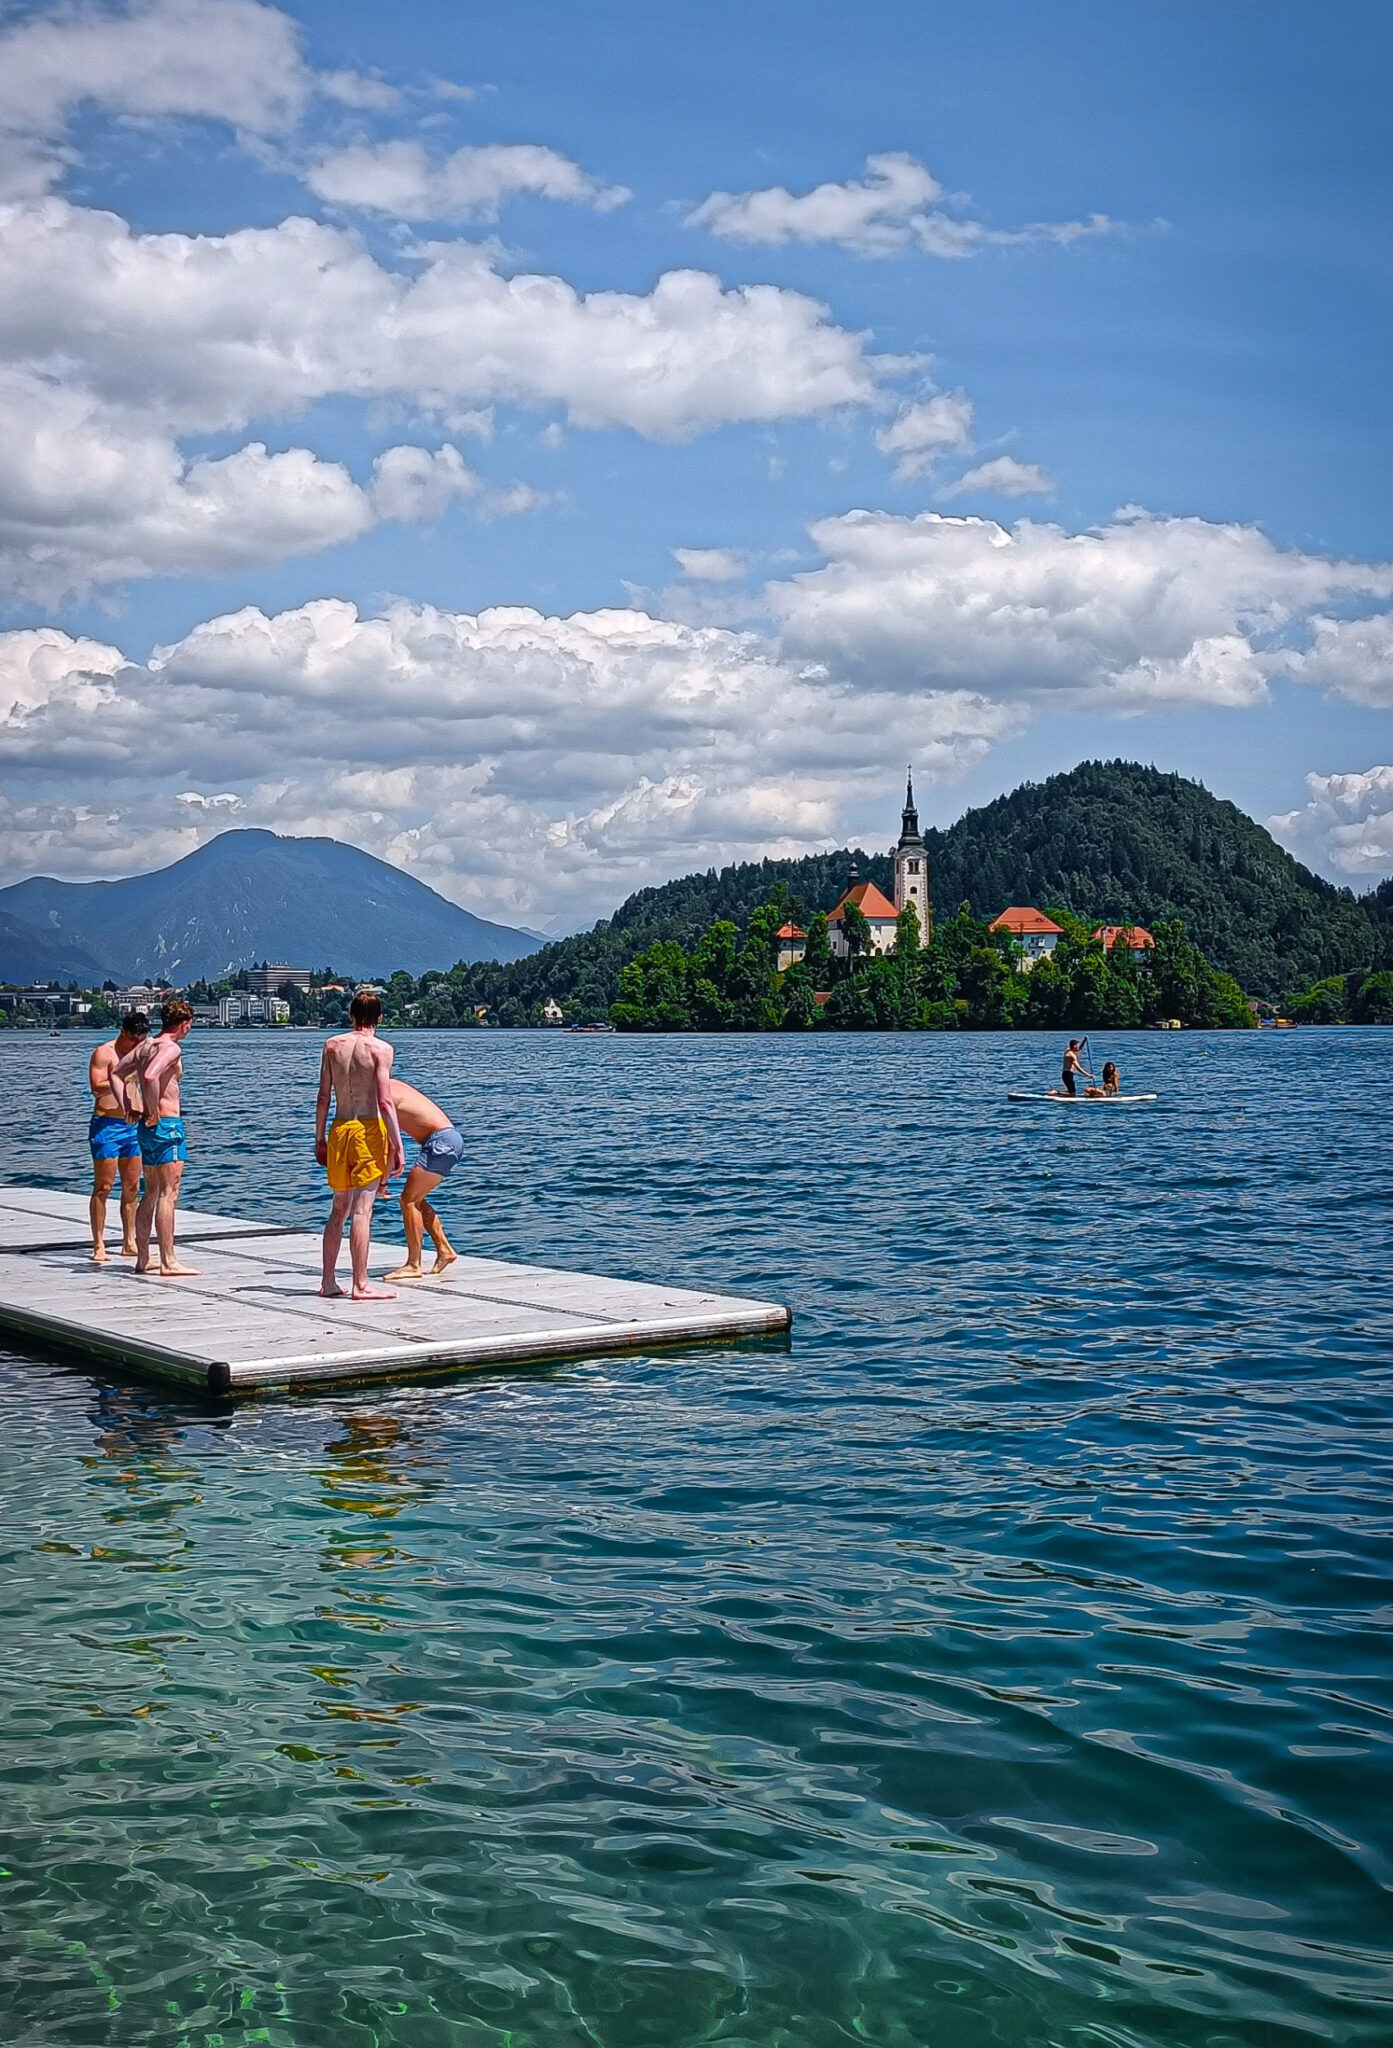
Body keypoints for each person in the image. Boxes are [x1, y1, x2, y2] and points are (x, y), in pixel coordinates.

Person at [315, 989, 405, 1301]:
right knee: (363, 1211)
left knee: (338, 1210)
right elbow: (385, 1100)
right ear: (379, 1018)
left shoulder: (332, 1046)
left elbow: (323, 1096)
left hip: (339, 1128)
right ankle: (360, 1283)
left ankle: (328, 1281)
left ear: (352, 1016)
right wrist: (397, 1144)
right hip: (368, 1130)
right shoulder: (381, 1049)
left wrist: (319, 1137)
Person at [112, 997, 199, 1277]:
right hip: (166, 1125)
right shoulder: (170, 1048)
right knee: (168, 1193)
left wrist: (127, 1104)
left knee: (149, 1191)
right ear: (184, 1025)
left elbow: (117, 1073)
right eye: (190, 1025)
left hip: (147, 1130)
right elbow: (150, 1076)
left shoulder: (146, 1045)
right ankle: (168, 1261)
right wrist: (151, 1111)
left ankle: (143, 1259)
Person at [384, 1079, 464, 1280]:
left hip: (440, 1142)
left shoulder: (384, 1094)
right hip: (448, 1139)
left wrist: (382, 1181)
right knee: (416, 1199)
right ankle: (445, 1250)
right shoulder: (393, 1084)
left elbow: (388, 1143)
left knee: (408, 1201)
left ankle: (414, 1264)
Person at [87, 1009, 149, 1262]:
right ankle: (99, 1243)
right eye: (134, 1039)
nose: (138, 1043)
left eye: (141, 1039)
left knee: (132, 1186)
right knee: (103, 1186)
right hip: (107, 1124)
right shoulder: (105, 1053)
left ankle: (129, 1240)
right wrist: (120, 1079)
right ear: (124, 1032)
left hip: (132, 1125)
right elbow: (96, 1088)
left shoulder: (141, 1054)